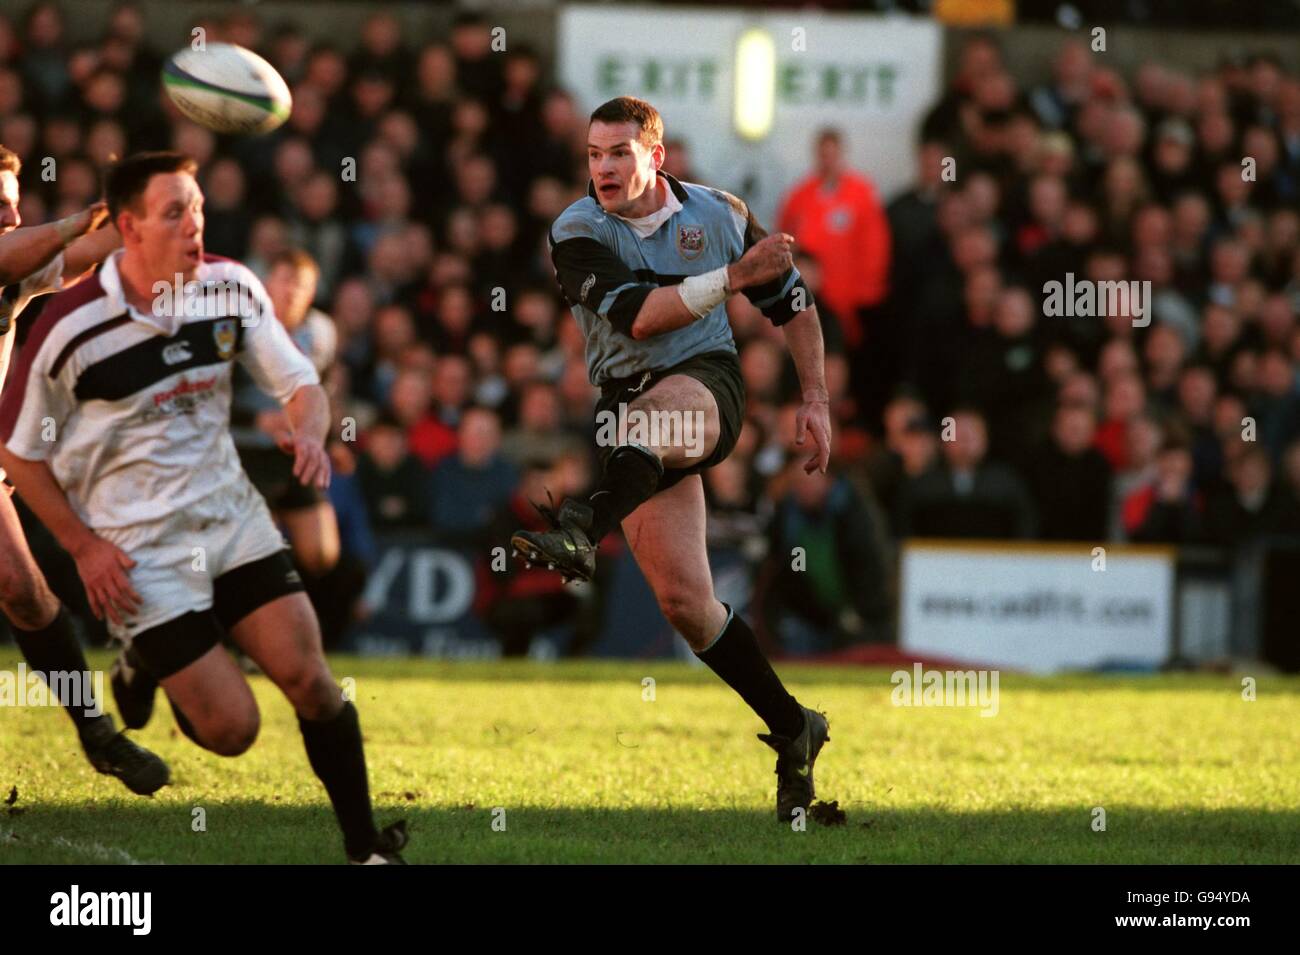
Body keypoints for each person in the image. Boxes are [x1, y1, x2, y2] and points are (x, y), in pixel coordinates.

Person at [0, 152, 405, 863]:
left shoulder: (227, 286)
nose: (194, 226)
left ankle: (366, 848)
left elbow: (300, 382)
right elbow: (18, 446)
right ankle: (143, 662)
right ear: (130, 226)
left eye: (198, 210)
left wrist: (309, 429)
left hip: (229, 519)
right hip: (139, 548)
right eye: (174, 213)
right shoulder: (73, 325)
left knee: (311, 680)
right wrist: (85, 546)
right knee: (232, 729)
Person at [509, 97, 834, 822]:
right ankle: (794, 728)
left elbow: (795, 304)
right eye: (594, 155)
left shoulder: (717, 214)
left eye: (619, 153)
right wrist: (733, 278)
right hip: (625, 404)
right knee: (688, 606)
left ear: (657, 155)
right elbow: (643, 316)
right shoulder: (576, 231)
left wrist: (814, 396)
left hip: (706, 383)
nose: (603, 168)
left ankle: (582, 528)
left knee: (654, 423)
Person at [0, 143, 167, 795]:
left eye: (15, 203)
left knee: (23, 589)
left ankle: (96, 731)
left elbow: (82, 258)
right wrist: (82, 217)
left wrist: (133, 215)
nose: (11, 217)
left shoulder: (19, 260)